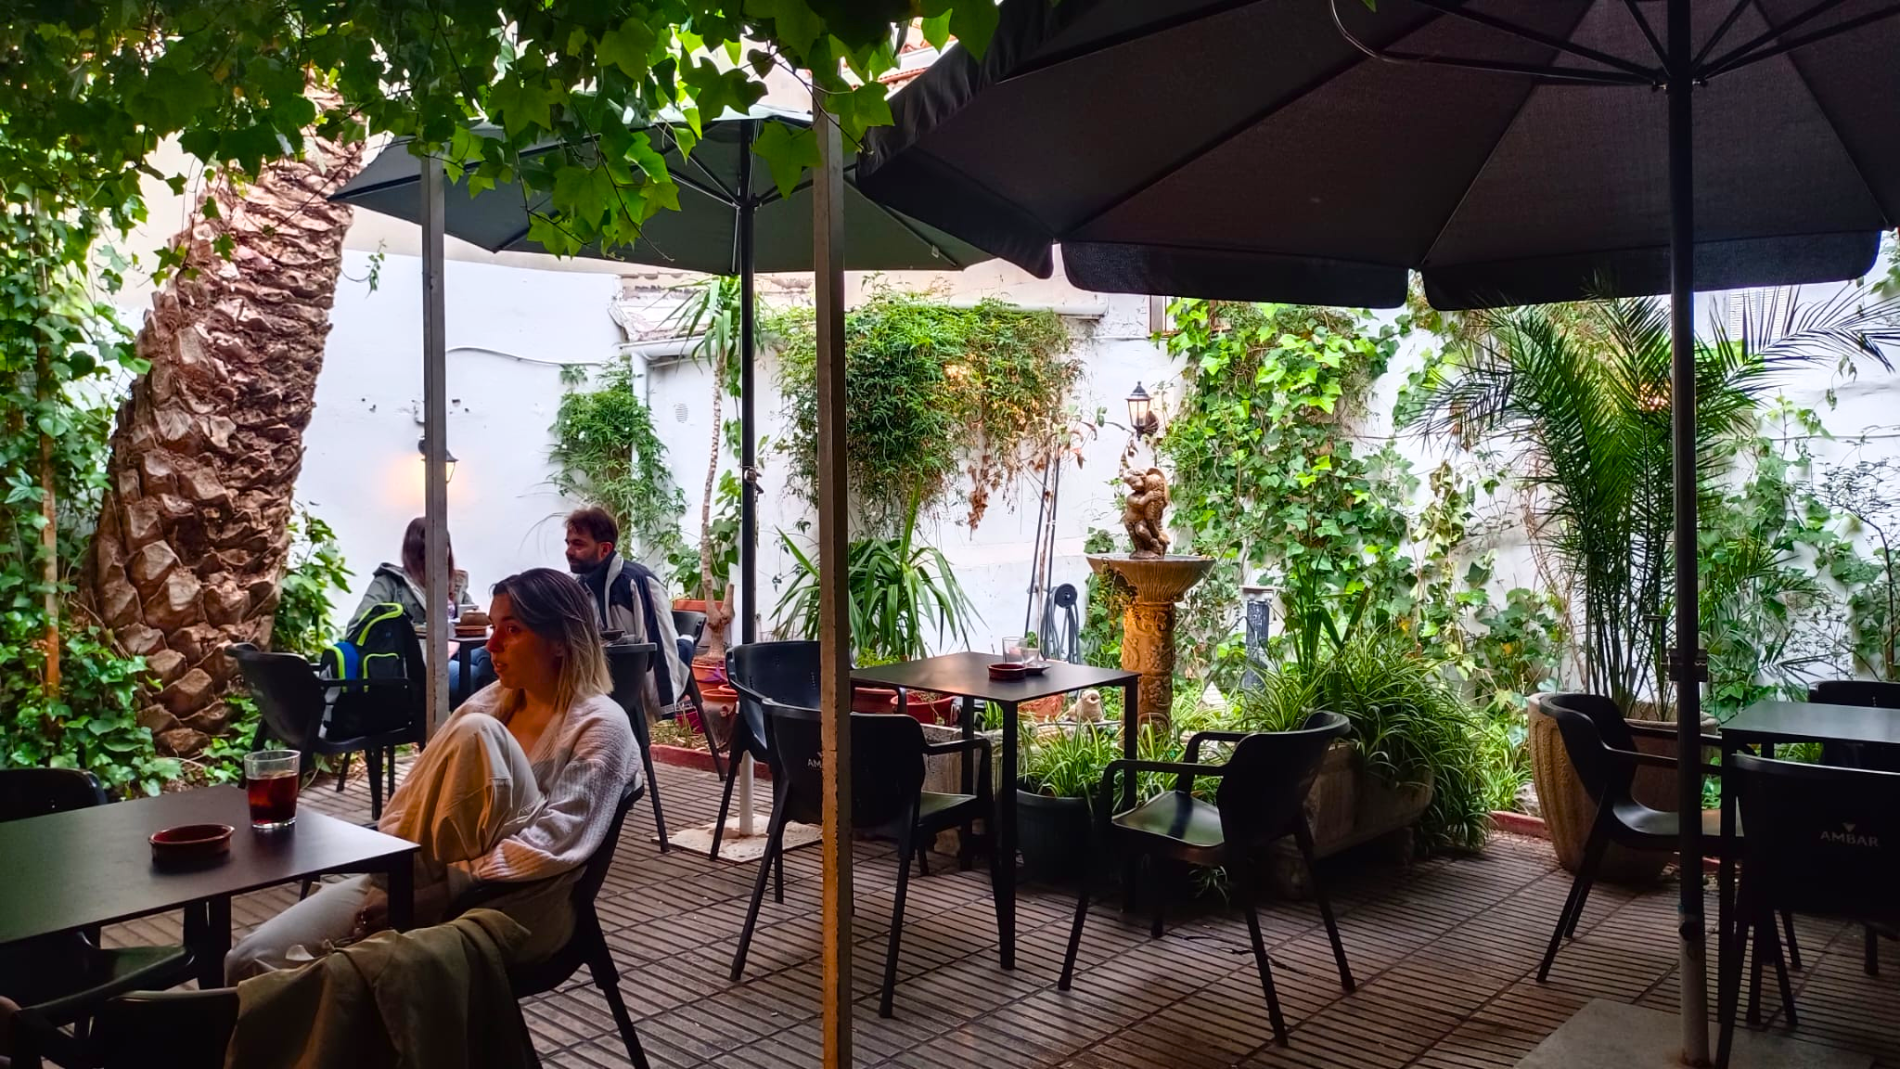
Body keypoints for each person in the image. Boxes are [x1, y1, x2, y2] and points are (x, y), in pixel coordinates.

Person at [227, 568, 640, 981]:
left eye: (513, 630)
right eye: (493, 626)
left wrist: (431, 897)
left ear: (562, 641)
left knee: (475, 732)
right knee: (248, 959)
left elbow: (553, 842)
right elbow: (413, 796)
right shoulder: (490, 702)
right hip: (418, 876)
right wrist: (392, 875)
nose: (492, 644)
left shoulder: (601, 726)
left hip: (520, 902)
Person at [563, 506, 687, 723]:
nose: (569, 551)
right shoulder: (576, 584)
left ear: (604, 549)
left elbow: (660, 643)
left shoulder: (637, 582)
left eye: (578, 544)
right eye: (568, 543)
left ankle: (687, 642)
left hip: (632, 675)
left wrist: (665, 706)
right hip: (604, 675)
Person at [349, 516, 489, 700]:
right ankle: (468, 715)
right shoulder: (390, 582)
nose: (440, 551)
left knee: (492, 659)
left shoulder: (455, 583)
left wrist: (466, 628)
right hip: (419, 660)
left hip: (457, 651)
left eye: (445, 544)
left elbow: (470, 618)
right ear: (415, 549)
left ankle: (491, 714)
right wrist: (411, 633)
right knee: (473, 678)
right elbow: (356, 628)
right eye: (429, 545)